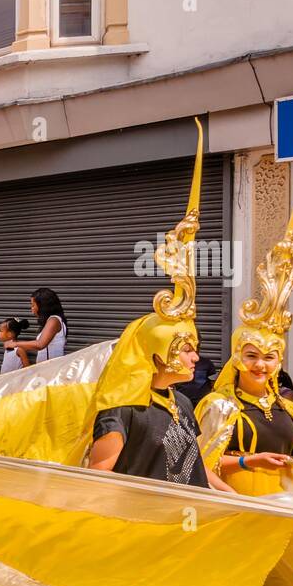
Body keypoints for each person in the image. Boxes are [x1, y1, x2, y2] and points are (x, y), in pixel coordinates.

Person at [86, 119, 231, 492]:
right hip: (144, 532)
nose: (196, 358)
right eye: (185, 350)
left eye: (194, 349)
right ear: (156, 353)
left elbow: (196, 469)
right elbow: (97, 480)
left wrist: (245, 503)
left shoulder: (182, 402)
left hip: (191, 524)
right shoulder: (120, 410)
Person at [198, 160, 293, 494]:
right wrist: (246, 462)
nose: (261, 365)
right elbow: (196, 462)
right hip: (235, 505)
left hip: (283, 507)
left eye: (270, 357)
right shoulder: (220, 405)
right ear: (238, 357)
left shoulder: (290, 403)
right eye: (252, 355)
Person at [8, 287, 67, 365]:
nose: (31, 309)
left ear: (42, 306)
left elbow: (40, 344)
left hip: (52, 369)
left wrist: (15, 344)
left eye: (33, 305)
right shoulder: (51, 320)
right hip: (47, 369)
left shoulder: (54, 320)